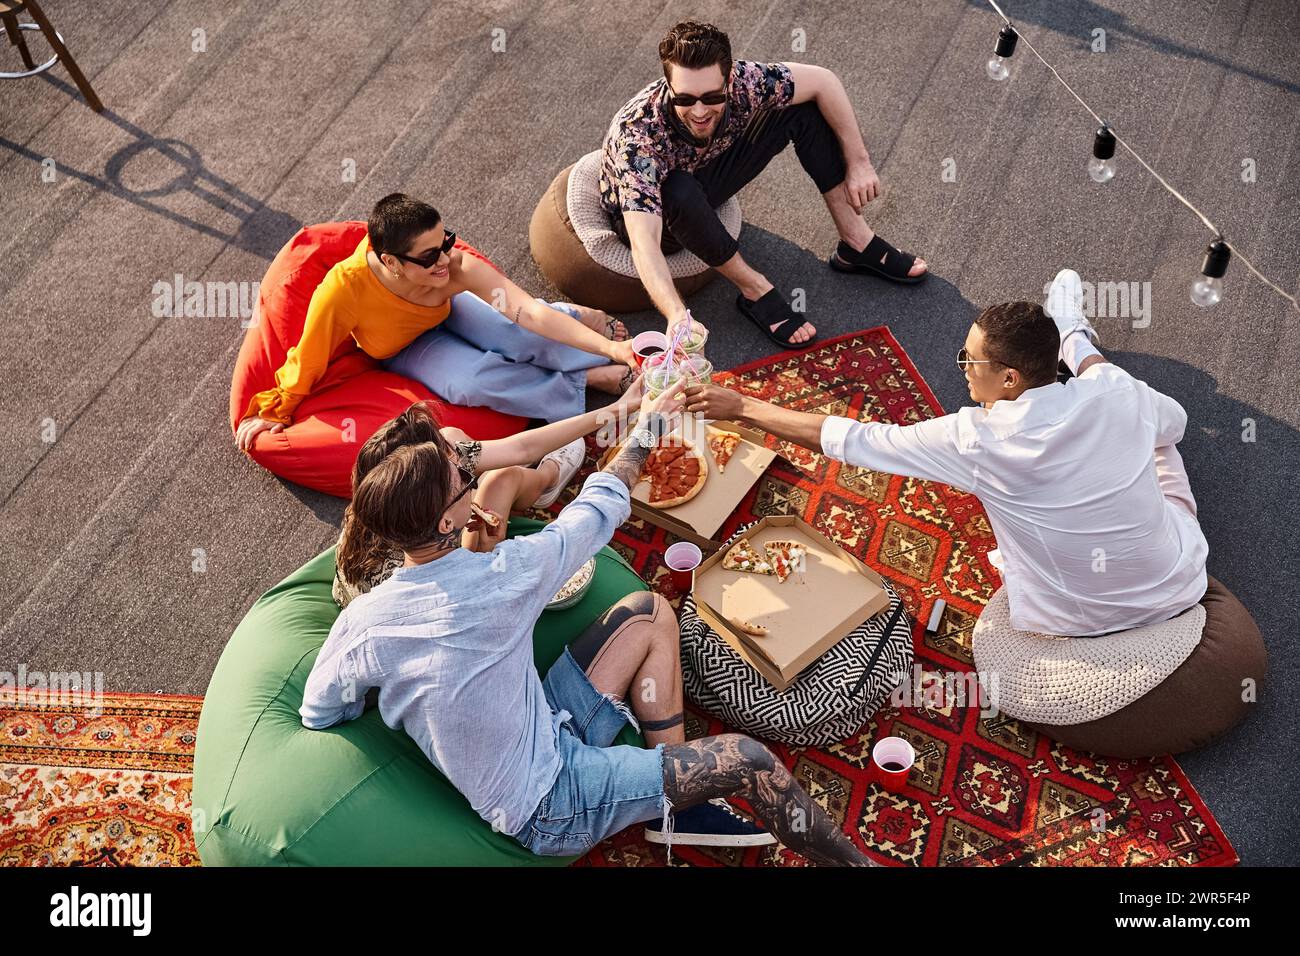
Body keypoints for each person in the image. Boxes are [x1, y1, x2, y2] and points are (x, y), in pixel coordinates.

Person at [301, 384, 874, 865]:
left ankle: (675, 809)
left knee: (650, 613)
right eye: (463, 479)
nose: (474, 475)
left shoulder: (363, 622)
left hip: (542, 722)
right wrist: (647, 427)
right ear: (450, 517)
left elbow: (320, 709)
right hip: (549, 804)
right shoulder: (505, 577)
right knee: (746, 760)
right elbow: (599, 506)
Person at [683, 269, 1209, 638]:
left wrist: (743, 407)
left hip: (1071, 616)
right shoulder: (1118, 392)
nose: (961, 366)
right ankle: (1073, 337)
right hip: (1177, 582)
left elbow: (853, 440)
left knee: (1142, 431)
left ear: (1008, 377)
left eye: (969, 359)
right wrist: (1110, 393)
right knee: (1150, 435)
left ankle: (1070, 330)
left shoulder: (974, 438)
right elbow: (1176, 426)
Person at [600, 19, 928, 351]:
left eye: (711, 96)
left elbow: (823, 81)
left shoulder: (747, 81)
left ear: (729, 80)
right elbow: (645, 244)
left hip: (705, 172)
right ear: (668, 86)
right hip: (657, 211)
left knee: (803, 110)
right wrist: (675, 315)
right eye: (684, 99)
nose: (698, 111)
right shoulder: (638, 140)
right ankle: (754, 290)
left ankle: (856, 242)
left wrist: (859, 163)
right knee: (679, 189)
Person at [236, 193, 637, 452]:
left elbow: (527, 312)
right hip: (405, 347)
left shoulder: (451, 268)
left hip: (450, 306)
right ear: (390, 261)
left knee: (517, 333)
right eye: (428, 256)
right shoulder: (342, 290)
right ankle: (585, 380)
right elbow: (308, 355)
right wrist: (276, 410)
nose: (444, 259)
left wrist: (611, 348)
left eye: (445, 242)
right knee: (470, 383)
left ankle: (579, 323)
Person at [333, 374, 650, 607]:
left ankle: (542, 481)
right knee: (499, 480)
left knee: (460, 440)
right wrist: (487, 551)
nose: (457, 459)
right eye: (451, 468)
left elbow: (523, 446)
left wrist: (618, 408)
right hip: (446, 592)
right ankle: (545, 479)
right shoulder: (419, 565)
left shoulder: (386, 497)